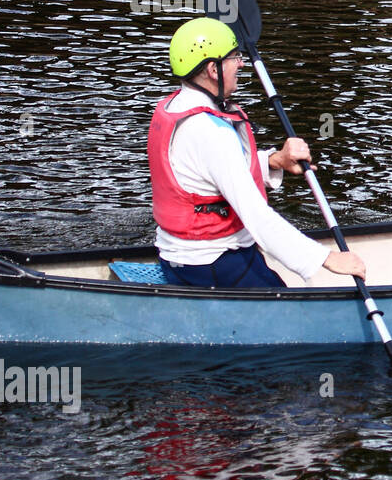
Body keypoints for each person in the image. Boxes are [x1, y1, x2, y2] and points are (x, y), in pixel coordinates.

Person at [148, 16, 366, 288]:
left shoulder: (174, 107)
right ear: (213, 70)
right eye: (233, 58)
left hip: (180, 258)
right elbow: (256, 216)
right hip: (212, 263)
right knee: (287, 309)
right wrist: (326, 258)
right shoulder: (210, 132)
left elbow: (207, 176)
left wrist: (275, 161)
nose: (241, 64)